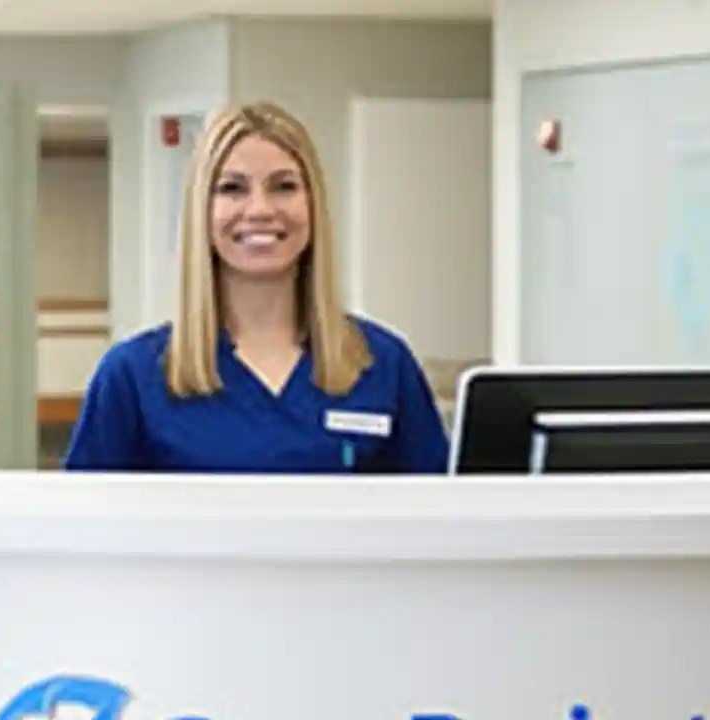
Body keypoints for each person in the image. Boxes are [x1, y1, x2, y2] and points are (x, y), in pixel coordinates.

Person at [64, 101, 449, 473]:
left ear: (313, 204)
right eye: (233, 188)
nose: (260, 209)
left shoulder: (382, 364)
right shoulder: (133, 376)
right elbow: (84, 530)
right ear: (202, 210)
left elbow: (442, 522)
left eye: (284, 186)